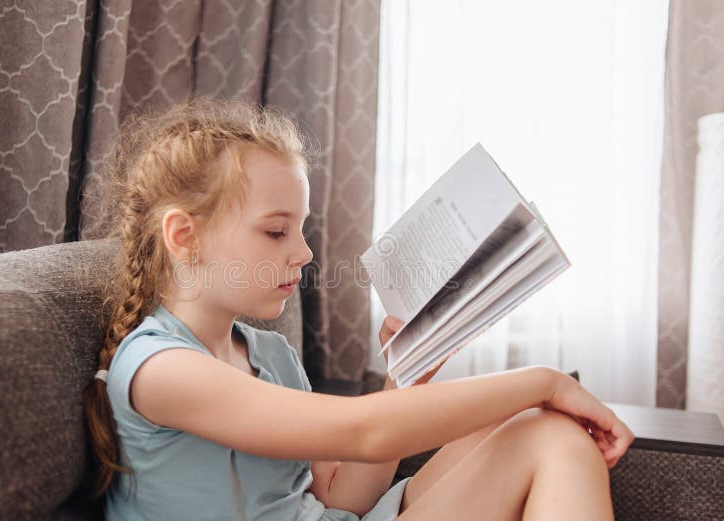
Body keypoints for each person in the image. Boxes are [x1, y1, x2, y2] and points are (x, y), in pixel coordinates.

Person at [82, 97, 634, 521]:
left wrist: (404, 380)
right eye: (276, 231)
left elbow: (341, 496)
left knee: (543, 430)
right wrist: (544, 379)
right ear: (184, 236)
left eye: (300, 230)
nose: (303, 252)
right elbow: (367, 433)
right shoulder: (160, 369)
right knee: (544, 417)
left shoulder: (270, 357)